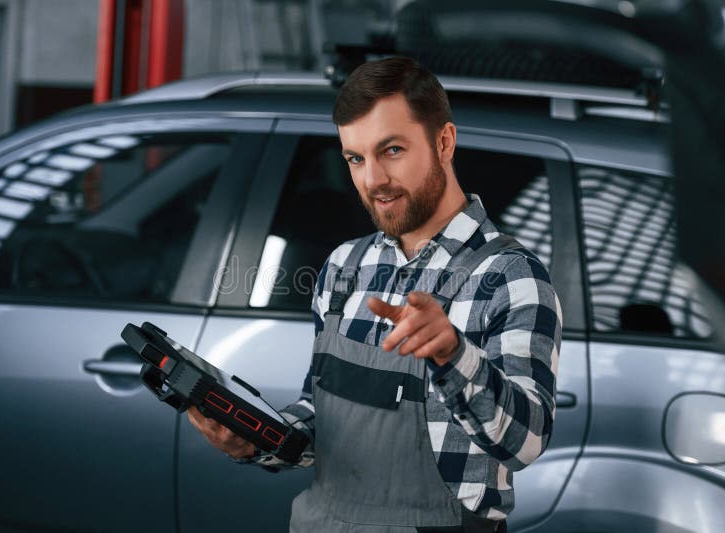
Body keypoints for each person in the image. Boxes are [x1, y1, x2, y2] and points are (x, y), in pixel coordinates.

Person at [188, 56, 562, 533]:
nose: (372, 180)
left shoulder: (510, 276)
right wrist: (257, 438)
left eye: (392, 151)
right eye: (355, 158)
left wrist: (451, 355)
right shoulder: (345, 267)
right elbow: (321, 418)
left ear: (444, 142)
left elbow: (525, 442)